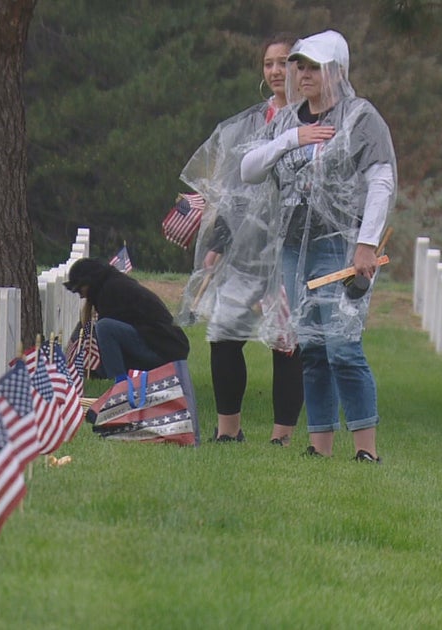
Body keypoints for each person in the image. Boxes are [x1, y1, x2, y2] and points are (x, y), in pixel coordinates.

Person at [240, 29, 397, 463]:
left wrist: (365, 244)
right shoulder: (288, 120)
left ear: (337, 71)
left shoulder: (360, 118)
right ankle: (319, 446)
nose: (304, 75)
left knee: (342, 345)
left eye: (314, 67)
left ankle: (366, 450)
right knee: (309, 345)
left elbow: (380, 181)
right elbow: (248, 169)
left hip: (341, 247)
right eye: (301, 67)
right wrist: (291, 140)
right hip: (295, 247)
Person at [177, 35, 305, 445]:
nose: (276, 71)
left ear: (300, 68)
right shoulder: (245, 126)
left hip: (291, 250)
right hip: (244, 252)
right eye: (269, 63)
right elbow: (230, 192)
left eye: (284, 62)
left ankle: (281, 435)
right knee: (224, 333)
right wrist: (216, 243)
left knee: (286, 340)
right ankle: (227, 429)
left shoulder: (313, 122)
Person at [64, 257, 189, 381]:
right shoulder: (112, 284)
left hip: (163, 351)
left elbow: (105, 342)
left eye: (80, 289)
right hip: (162, 347)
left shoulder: (111, 290)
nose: (80, 296)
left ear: (90, 282)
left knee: (104, 327)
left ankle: (120, 383)